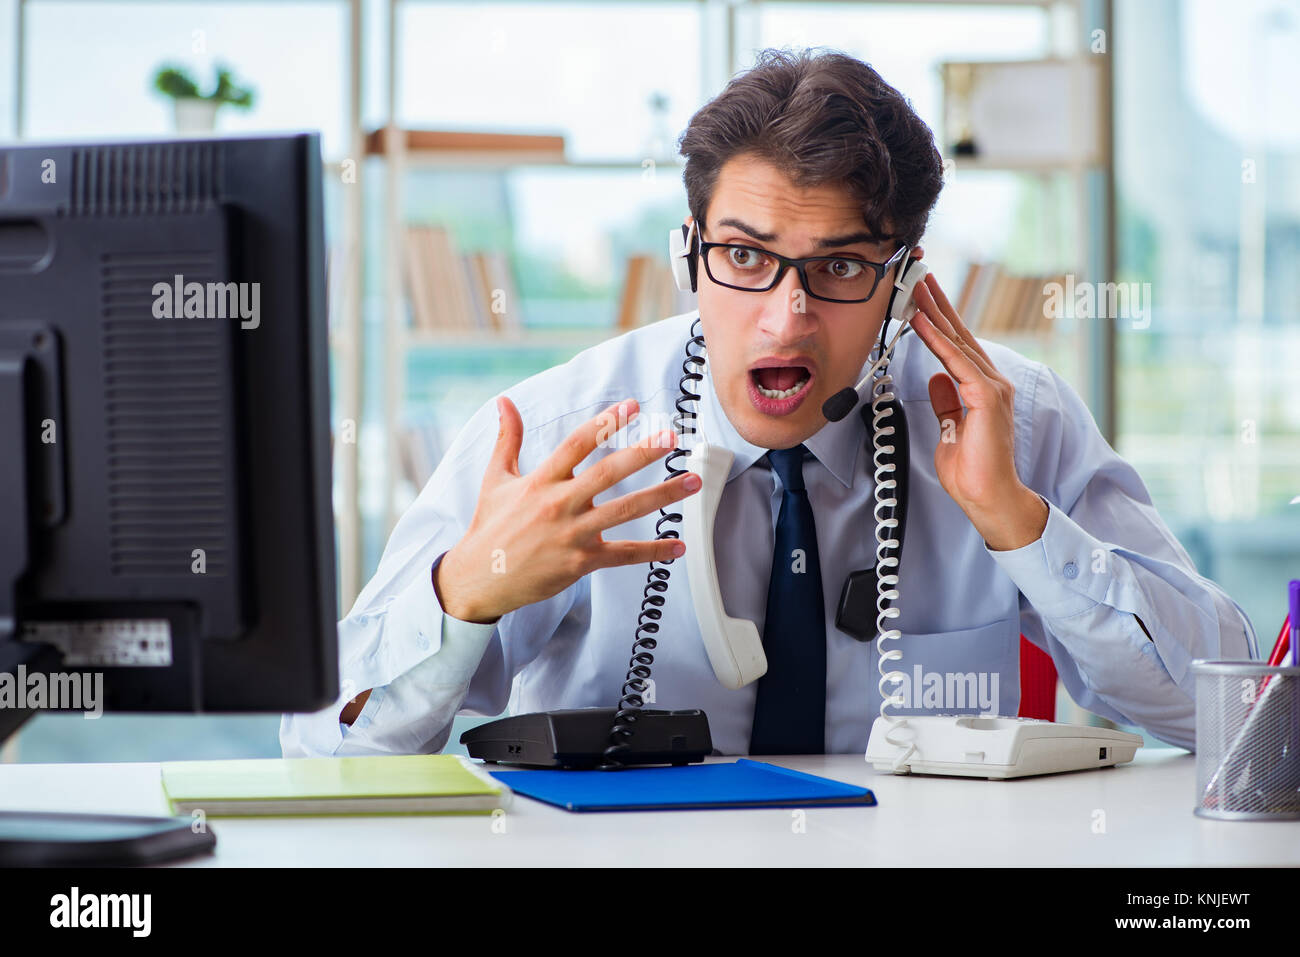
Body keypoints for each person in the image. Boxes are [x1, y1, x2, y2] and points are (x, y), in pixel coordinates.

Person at [281, 48, 1255, 759]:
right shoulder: (548, 433)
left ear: (904, 280)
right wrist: (465, 595)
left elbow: (1227, 716)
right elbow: (319, 748)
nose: (785, 321)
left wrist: (1020, 524)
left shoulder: (1011, 417)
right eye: (743, 257)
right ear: (687, 258)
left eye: (838, 266)